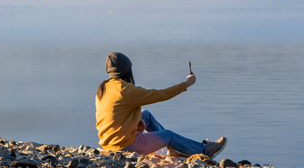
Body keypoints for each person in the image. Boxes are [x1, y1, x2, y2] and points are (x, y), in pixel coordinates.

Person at [95, 51, 227, 159]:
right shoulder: (124, 90)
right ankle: (204, 151)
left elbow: (114, 117)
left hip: (109, 143)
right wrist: (186, 84)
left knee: (146, 115)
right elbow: (160, 94)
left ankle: (174, 149)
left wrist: (134, 123)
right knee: (168, 135)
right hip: (125, 146)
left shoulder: (103, 88)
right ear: (127, 70)